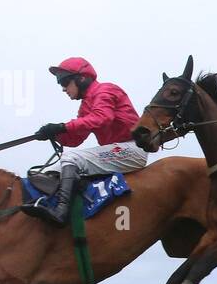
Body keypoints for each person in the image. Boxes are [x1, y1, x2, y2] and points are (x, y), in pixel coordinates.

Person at [21, 57, 148, 226]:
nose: (63, 88)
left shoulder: (105, 90)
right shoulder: (86, 105)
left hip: (131, 150)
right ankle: (47, 208)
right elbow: (76, 139)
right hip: (115, 151)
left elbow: (102, 118)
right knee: (50, 172)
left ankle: (61, 212)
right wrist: (54, 134)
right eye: (61, 84)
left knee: (71, 158)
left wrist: (61, 127)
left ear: (82, 78)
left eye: (65, 82)